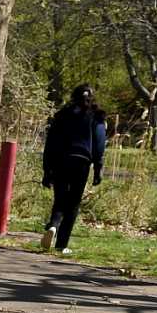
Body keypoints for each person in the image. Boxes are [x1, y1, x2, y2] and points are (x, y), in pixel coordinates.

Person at [39, 84, 107, 254]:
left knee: (60, 197)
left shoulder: (61, 116)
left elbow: (50, 143)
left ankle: (53, 225)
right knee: (73, 202)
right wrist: (98, 169)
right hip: (81, 162)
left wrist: (47, 170)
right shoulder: (96, 116)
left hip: (59, 161)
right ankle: (62, 244)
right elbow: (99, 145)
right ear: (92, 98)